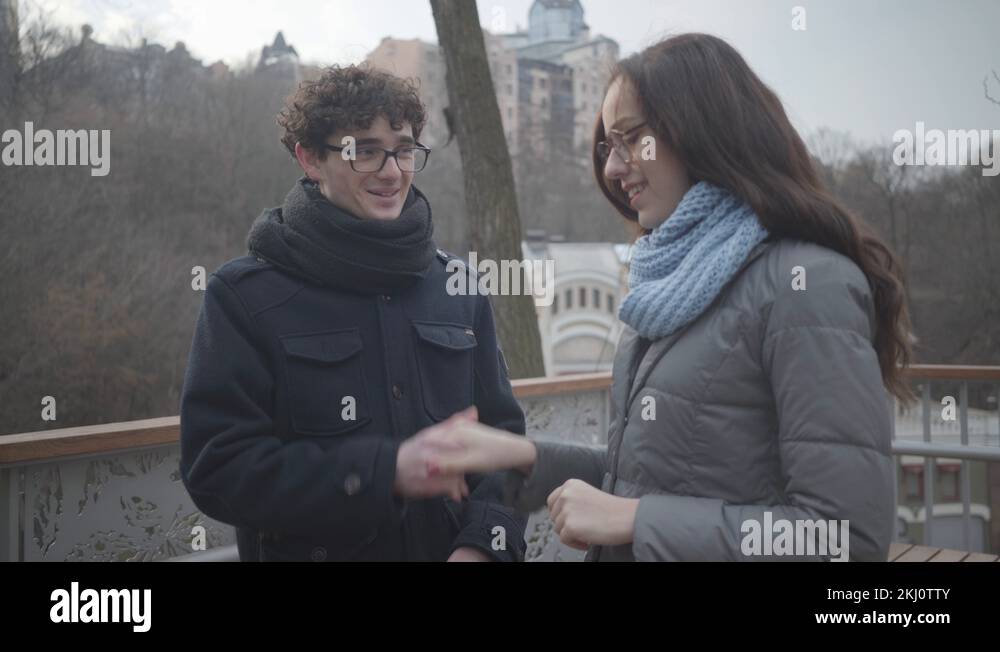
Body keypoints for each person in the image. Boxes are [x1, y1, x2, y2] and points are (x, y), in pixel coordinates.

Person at [418, 33, 913, 562]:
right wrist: (522, 457)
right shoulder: (670, 285)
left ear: (706, 129)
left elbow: (843, 537)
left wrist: (636, 521)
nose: (611, 168)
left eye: (632, 138)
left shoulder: (807, 285)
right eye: (608, 146)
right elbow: (645, 481)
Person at [179, 64, 526, 562]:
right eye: (363, 150)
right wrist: (382, 473)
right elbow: (219, 470)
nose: (391, 171)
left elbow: (506, 446)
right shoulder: (242, 297)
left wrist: (482, 548)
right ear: (311, 159)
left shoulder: (459, 286)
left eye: (403, 149)